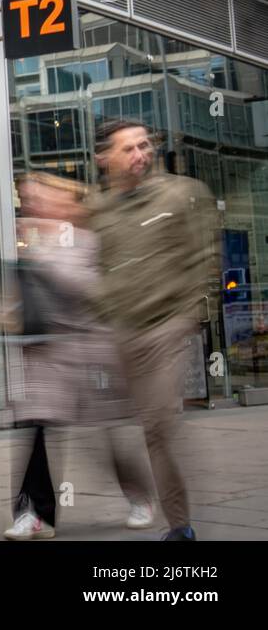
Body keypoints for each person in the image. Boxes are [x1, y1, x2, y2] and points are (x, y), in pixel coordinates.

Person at [89, 120, 220, 541]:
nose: (139, 154)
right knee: (111, 424)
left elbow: (204, 254)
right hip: (123, 333)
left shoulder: (183, 194)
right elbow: (98, 268)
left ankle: (180, 525)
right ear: (103, 158)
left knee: (158, 427)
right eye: (127, 149)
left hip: (167, 327)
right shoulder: (98, 211)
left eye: (144, 145)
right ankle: (142, 495)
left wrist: (192, 313)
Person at [3, 172, 151, 540]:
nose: (34, 205)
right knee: (35, 430)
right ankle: (35, 513)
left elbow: (91, 291)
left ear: (65, 203)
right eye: (28, 199)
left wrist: (44, 256)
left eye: (41, 198)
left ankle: (138, 494)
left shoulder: (87, 242)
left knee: (106, 441)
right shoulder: (36, 242)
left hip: (91, 356)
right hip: (48, 357)